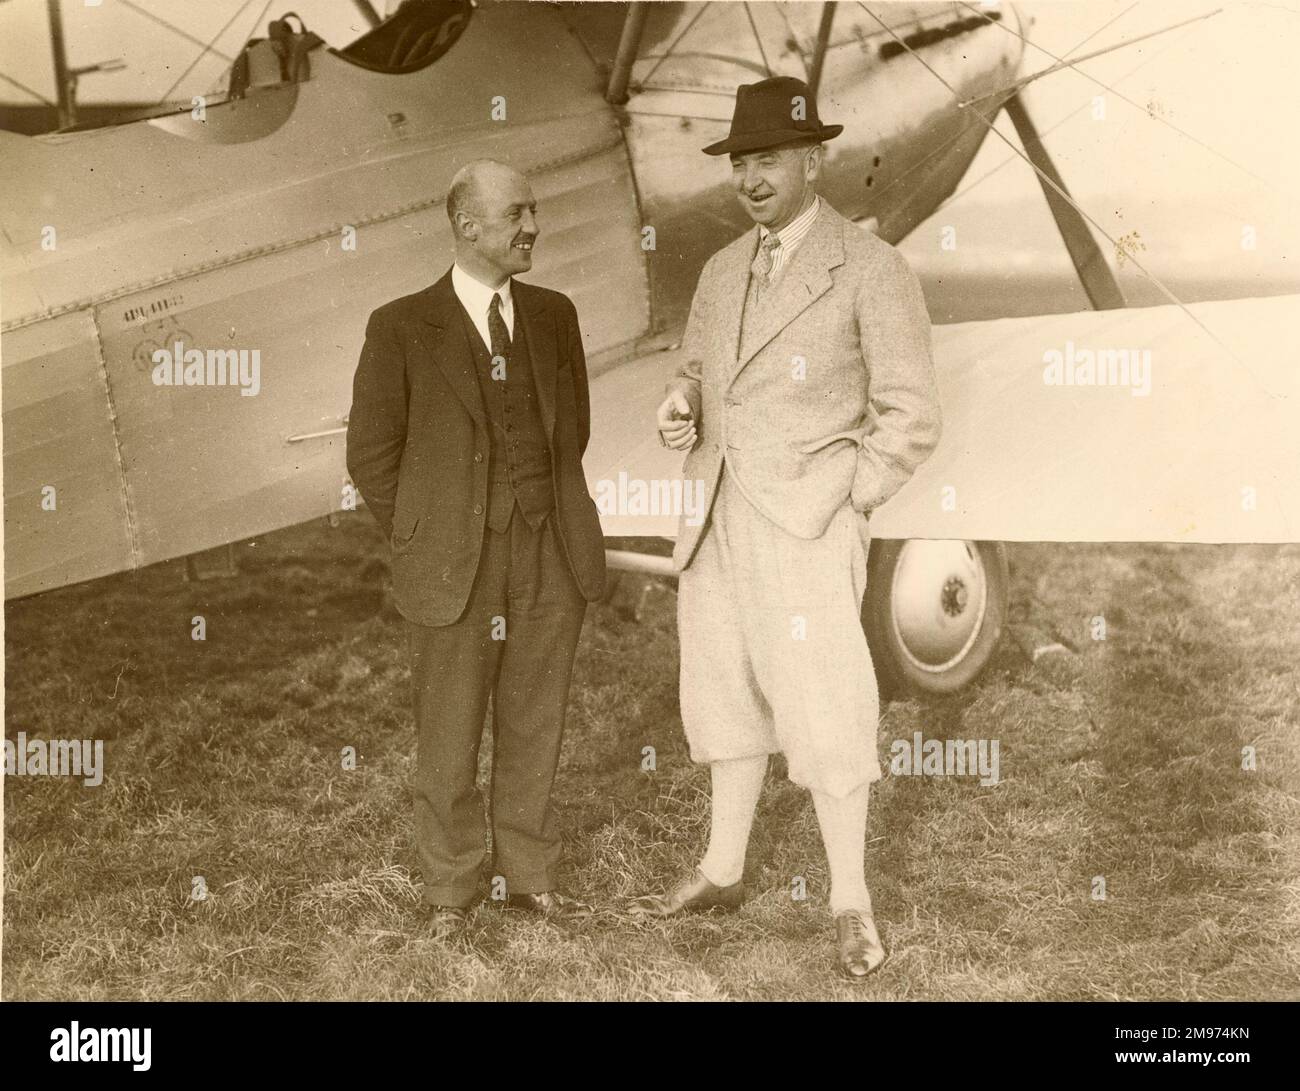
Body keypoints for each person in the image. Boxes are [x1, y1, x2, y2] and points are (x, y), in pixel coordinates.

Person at [633, 77, 942, 981]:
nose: (752, 178)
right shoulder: (723, 269)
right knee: (724, 691)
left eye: (770, 159)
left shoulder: (870, 268)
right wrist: (680, 405)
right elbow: (696, 368)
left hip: (805, 520)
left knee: (825, 705)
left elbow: (910, 412)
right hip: (717, 512)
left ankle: (851, 899)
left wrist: (851, 494)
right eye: (740, 162)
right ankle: (724, 868)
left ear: (815, 160)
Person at [346, 159, 606, 938]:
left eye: (533, 211)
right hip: (452, 564)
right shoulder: (399, 325)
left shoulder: (555, 314)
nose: (534, 226)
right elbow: (370, 453)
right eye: (518, 213)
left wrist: (542, 515)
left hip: (548, 550)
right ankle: (452, 889)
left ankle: (526, 872)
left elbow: (573, 431)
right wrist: (424, 531)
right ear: (469, 228)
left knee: (535, 714)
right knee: (451, 726)